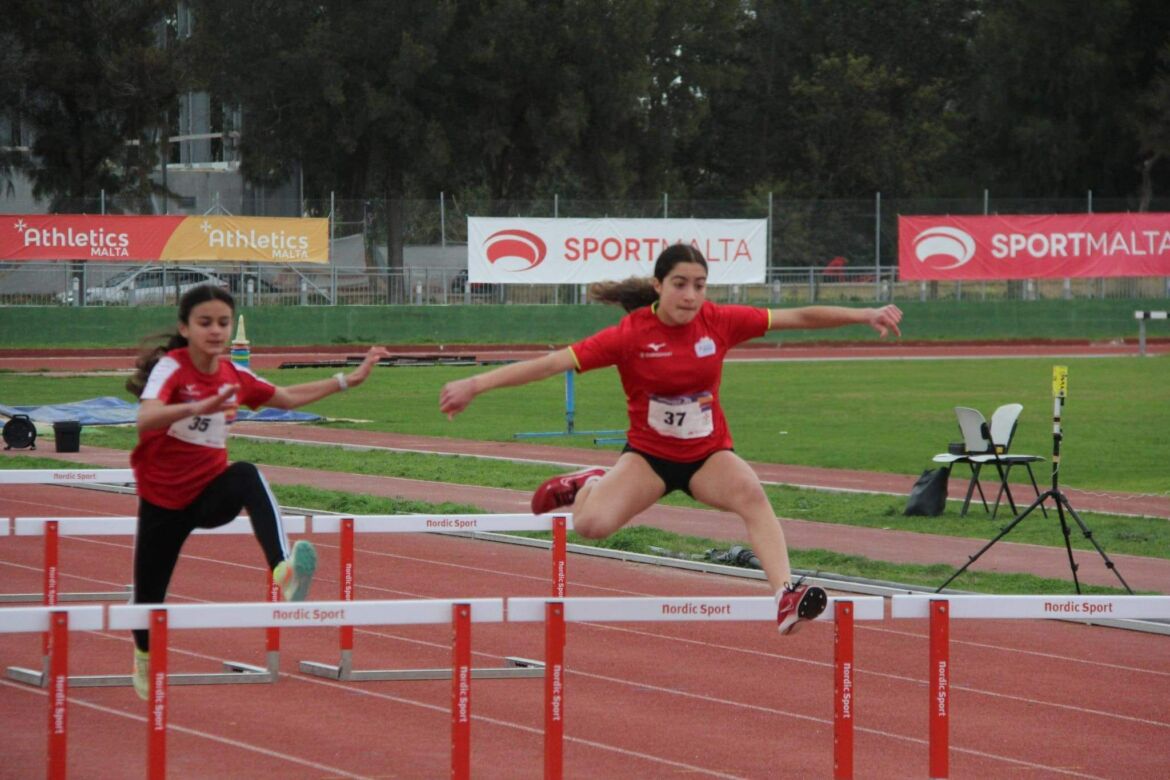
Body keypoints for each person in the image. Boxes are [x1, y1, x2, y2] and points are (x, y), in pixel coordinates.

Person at [440, 244, 902, 635]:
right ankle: (590, 484)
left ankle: (784, 595)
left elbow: (798, 315)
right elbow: (551, 364)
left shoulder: (719, 321)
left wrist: (864, 313)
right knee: (592, 525)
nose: (691, 295)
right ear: (658, 286)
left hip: (707, 455)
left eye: (700, 285)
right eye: (680, 284)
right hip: (649, 458)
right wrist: (475, 385)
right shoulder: (630, 336)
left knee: (752, 494)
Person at [125, 284, 388, 699]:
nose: (215, 331)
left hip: (210, 495)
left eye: (223, 323)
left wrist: (347, 380)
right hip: (162, 501)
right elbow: (146, 418)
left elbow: (286, 397)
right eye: (205, 322)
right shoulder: (172, 368)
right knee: (148, 599)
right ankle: (143, 654)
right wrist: (197, 407)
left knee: (247, 474)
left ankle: (284, 571)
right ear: (185, 328)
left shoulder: (234, 376)